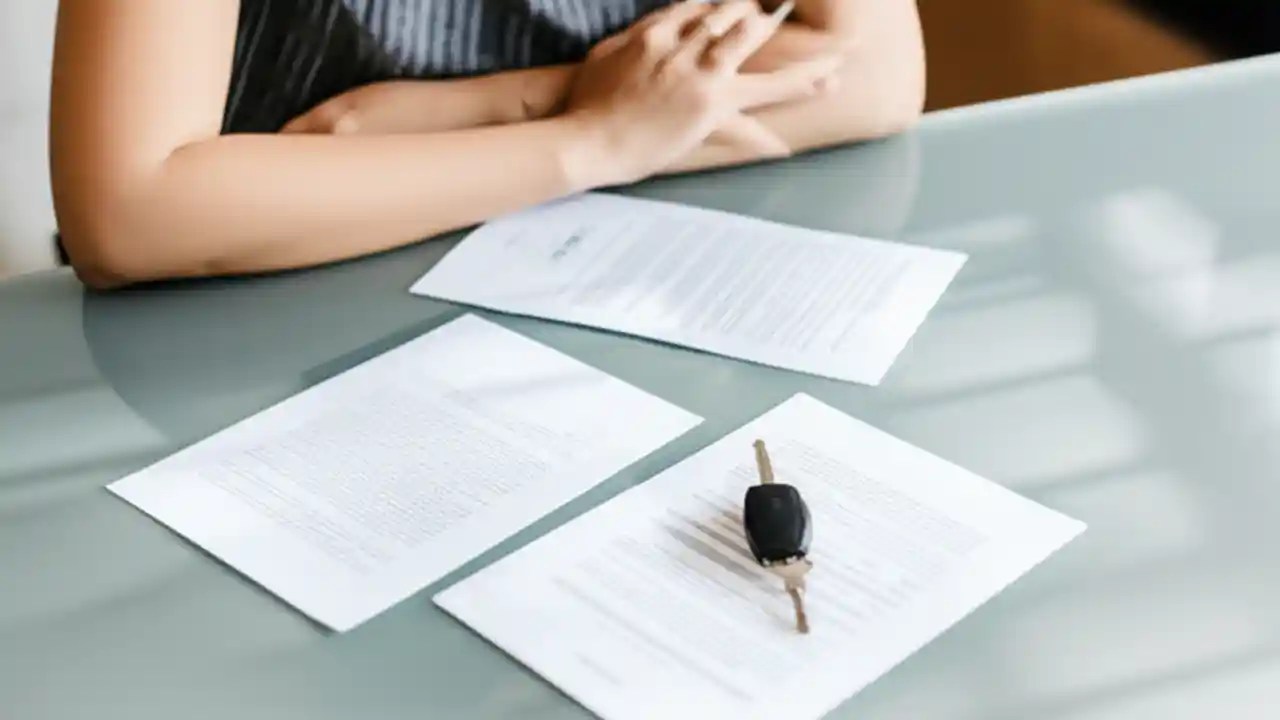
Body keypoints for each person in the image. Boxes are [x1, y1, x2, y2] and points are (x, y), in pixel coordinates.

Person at [50, 0, 925, 289]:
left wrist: (484, 112)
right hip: (273, 315)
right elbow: (130, 215)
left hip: (626, 284)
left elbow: (873, 72)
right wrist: (598, 137)